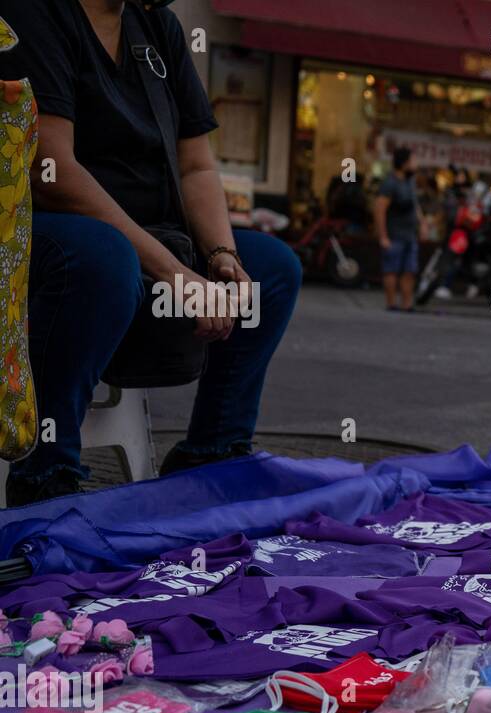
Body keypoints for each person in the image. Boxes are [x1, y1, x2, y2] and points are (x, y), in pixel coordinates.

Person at [2, 0, 300, 506]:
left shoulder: (157, 25)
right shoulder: (36, 13)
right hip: (48, 238)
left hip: (152, 238)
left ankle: (212, 456)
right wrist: (176, 274)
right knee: (104, 258)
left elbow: (197, 166)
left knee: (270, 271)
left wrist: (222, 255)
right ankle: (45, 476)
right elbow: (50, 170)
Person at [374, 146, 420, 312]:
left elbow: (415, 205)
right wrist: (383, 236)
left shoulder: (410, 182)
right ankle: (391, 303)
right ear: (404, 163)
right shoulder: (390, 183)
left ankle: (407, 304)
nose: (416, 164)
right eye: (413, 160)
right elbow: (380, 210)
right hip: (394, 234)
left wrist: (422, 223)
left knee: (410, 270)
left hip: (410, 235)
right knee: (391, 270)